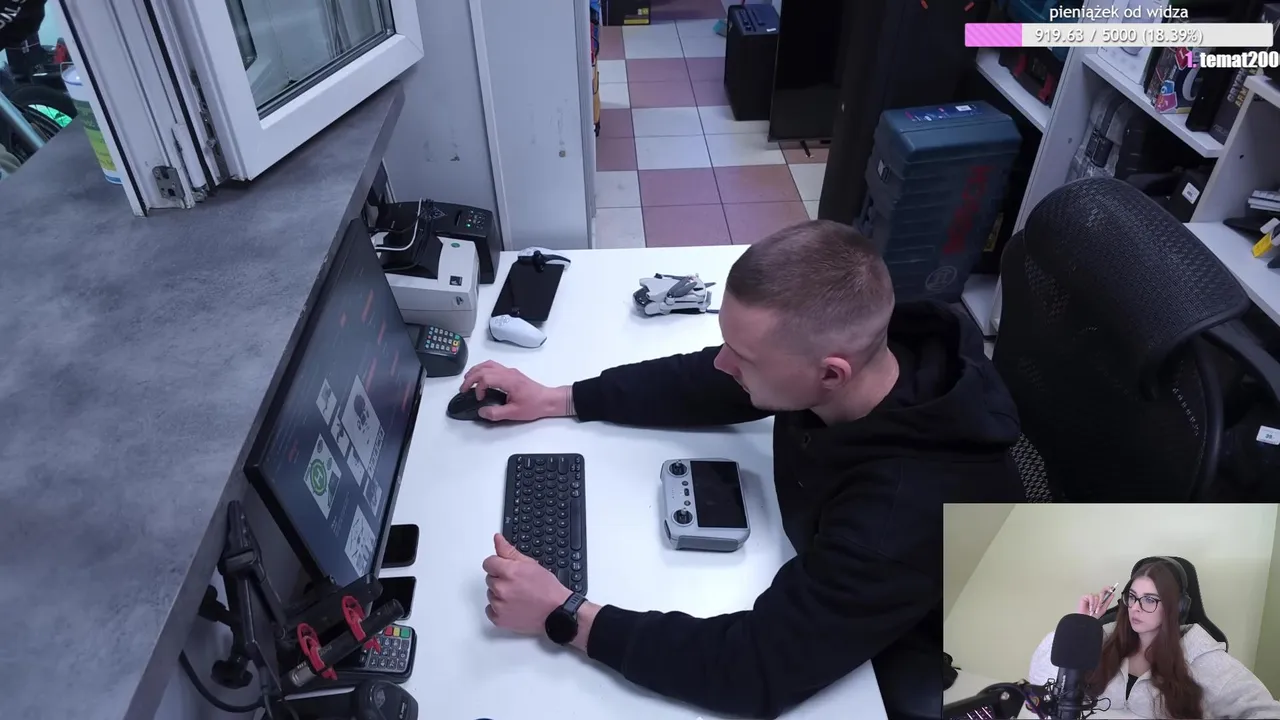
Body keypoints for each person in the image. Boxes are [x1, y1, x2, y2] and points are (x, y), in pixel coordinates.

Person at [468, 220, 1026, 720]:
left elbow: (751, 669)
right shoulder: (879, 349)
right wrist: (559, 398)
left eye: (744, 357)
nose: (721, 361)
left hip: (934, 654)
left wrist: (564, 612)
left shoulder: (897, 516)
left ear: (831, 375)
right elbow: (714, 382)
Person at [1026, 559, 1280, 719]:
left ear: (1176, 608)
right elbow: (1039, 679)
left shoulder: (1202, 657)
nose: (1135, 608)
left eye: (1149, 600)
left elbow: (1265, 711)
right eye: (1132, 597)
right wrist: (1083, 626)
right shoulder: (1102, 638)